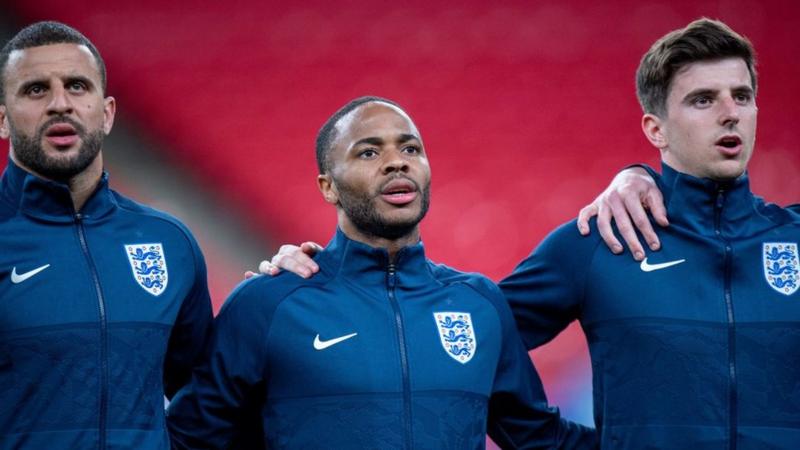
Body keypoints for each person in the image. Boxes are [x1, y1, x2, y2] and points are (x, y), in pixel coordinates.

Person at [266, 19, 800, 449]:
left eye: (742, 95)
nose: (730, 114)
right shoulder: (602, 242)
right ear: (654, 129)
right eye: (703, 100)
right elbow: (453, 338)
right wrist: (324, 278)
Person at [166, 96, 596, 449]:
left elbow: (541, 440)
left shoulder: (479, 304)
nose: (397, 162)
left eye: (410, 149)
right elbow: (189, 438)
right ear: (327, 186)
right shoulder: (267, 303)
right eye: (369, 152)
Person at [0, 22, 213, 449]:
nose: (60, 104)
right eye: (36, 90)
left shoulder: (170, 242)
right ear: (3, 119)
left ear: (108, 112)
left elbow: (208, 398)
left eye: (77, 86)